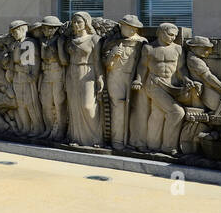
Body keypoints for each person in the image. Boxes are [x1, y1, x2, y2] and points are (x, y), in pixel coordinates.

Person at [132, 22, 189, 154]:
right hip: (154, 84)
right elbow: (142, 66)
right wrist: (138, 79)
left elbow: (181, 69)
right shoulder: (149, 48)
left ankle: (153, 145)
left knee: (157, 115)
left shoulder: (178, 49)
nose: (173, 38)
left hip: (171, 85)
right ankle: (168, 146)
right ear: (161, 32)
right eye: (170, 35)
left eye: (175, 35)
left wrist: (187, 79)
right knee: (177, 112)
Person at [102, 14, 147, 149]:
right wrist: (113, 55)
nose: (125, 29)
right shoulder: (112, 42)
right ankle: (117, 140)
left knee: (137, 108)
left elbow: (144, 63)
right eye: (124, 26)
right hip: (115, 77)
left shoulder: (141, 42)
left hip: (133, 79)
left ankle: (135, 141)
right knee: (118, 107)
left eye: (129, 27)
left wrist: (138, 79)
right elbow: (107, 65)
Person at [62, 11, 105, 146]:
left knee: (88, 106)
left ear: (86, 23)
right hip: (72, 72)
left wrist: (100, 77)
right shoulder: (70, 41)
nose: (76, 24)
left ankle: (96, 139)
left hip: (88, 72)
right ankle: (76, 138)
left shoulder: (94, 39)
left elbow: (97, 60)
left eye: (79, 22)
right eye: (74, 22)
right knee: (74, 106)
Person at [6, 19, 44, 136]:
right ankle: (26, 127)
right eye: (12, 32)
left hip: (27, 77)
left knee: (30, 103)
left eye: (15, 31)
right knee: (20, 103)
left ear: (23, 30)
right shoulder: (15, 44)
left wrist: (34, 75)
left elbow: (35, 61)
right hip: (17, 76)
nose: (13, 34)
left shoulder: (29, 43)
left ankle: (37, 128)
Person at [34, 16, 67, 140]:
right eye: (44, 28)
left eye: (48, 28)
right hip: (46, 74)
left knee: (58, 103)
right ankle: (49, 128)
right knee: (46, 103)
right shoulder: (43, 40)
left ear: (54, 29)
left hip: (57, 73)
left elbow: (64, 61)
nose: (45, 30)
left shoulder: (59, 40)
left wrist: (56, 48)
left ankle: (59, 130)